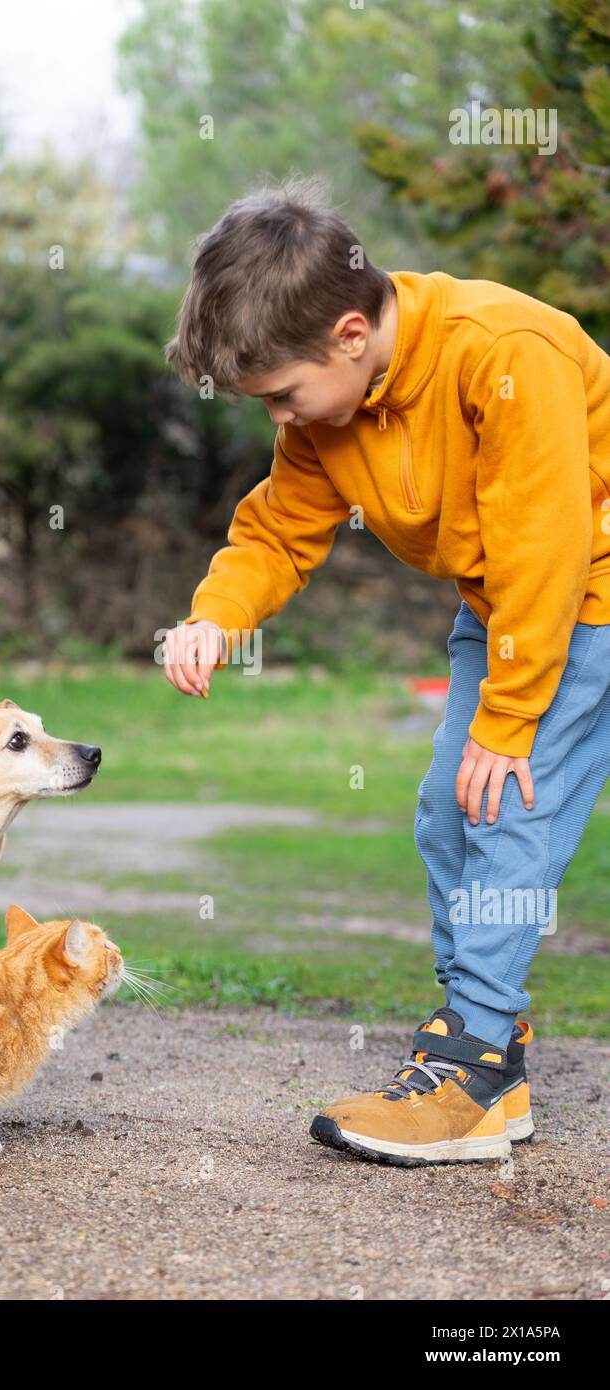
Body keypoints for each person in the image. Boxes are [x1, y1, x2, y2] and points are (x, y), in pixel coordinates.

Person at [159, 175, 610, 1166]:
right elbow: (277, 529)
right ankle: (483, 1041)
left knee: (506, 805)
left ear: (352, 334)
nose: (281, 418)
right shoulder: (327, 417)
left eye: (283, 393)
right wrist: (215, 616)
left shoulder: (502, 352)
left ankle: (475, 1067)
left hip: (586, 596)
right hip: (502, 609)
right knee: (449, 808)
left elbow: (549, 545)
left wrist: (507, 716)